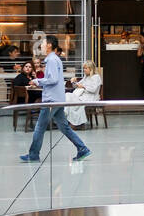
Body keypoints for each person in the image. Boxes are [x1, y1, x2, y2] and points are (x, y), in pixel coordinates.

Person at [21, 34, 92, 163]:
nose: (41, 46)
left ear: (49, 45)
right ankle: (82, 148)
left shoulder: (51, 60)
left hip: (52, 100)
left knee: (39, 127)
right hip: (58, 99)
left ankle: (33, 154)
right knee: (64, 127)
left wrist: (37, 81)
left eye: (42, 43)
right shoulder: (55, 59)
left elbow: (52, 79)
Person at [65, 60, 102, 127]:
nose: (84, 70)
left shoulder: (96, 77)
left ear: (91, 68)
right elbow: (77, 85)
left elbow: (93, 90)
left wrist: (83, 87)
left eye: (86, 68)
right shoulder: (86, 77)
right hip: (83, 96)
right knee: (68, 95)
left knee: (69, 97)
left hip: (91, 97)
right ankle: (67, 117)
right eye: (84, 68)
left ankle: (69, 118)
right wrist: (74, 82)